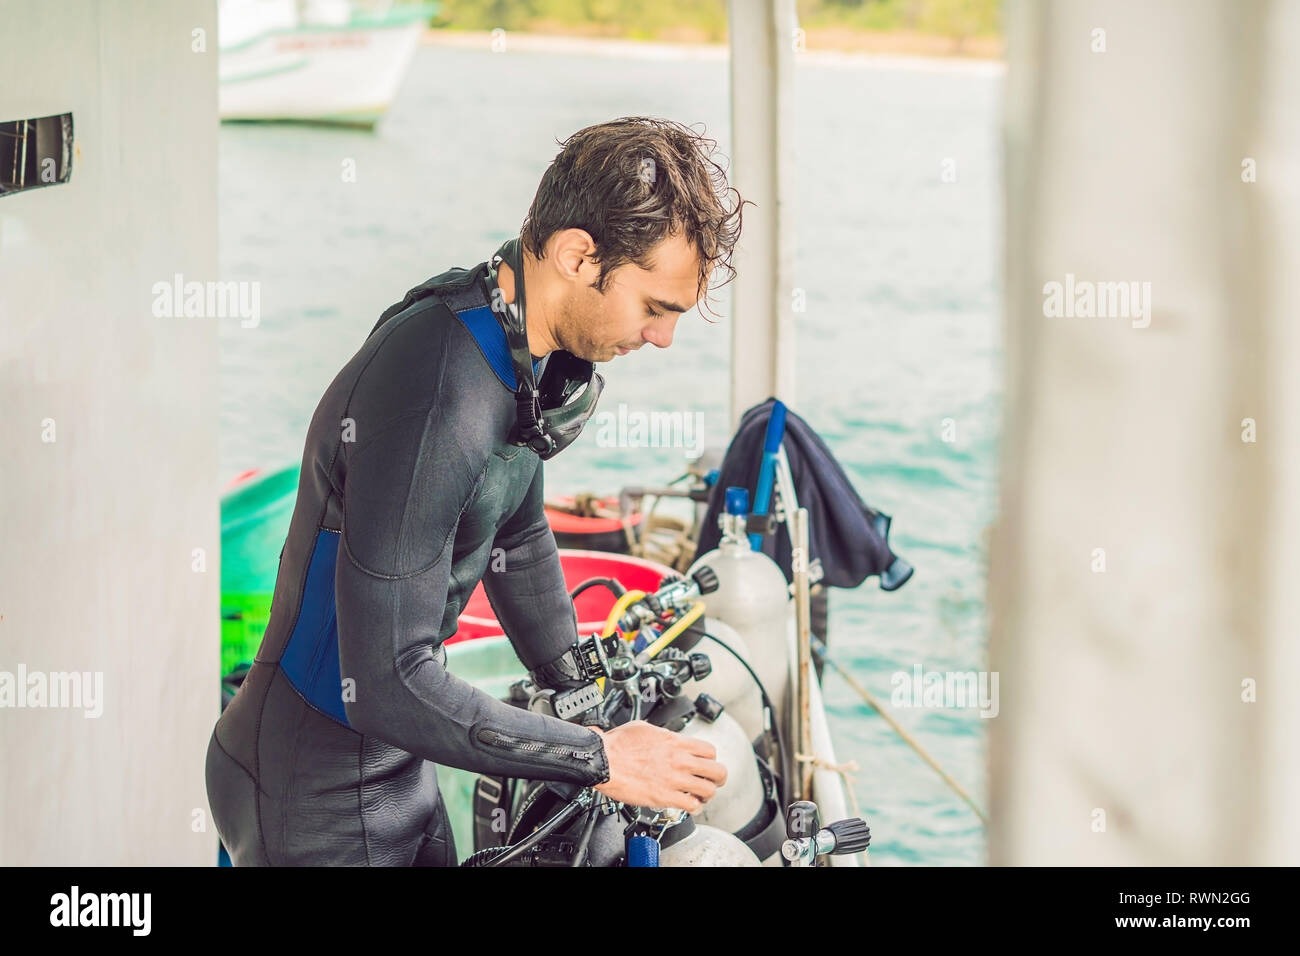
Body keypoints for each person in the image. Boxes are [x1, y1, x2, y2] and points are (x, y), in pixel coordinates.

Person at [204, 116, 748, 865]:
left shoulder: (516, 348)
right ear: (577, 256)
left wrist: (580, 688)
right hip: (312, 791)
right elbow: (387, 678)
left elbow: (517, 541)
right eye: (655, 307)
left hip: (394, 766)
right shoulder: (439, 392)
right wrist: (601, 757)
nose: (663, 337)